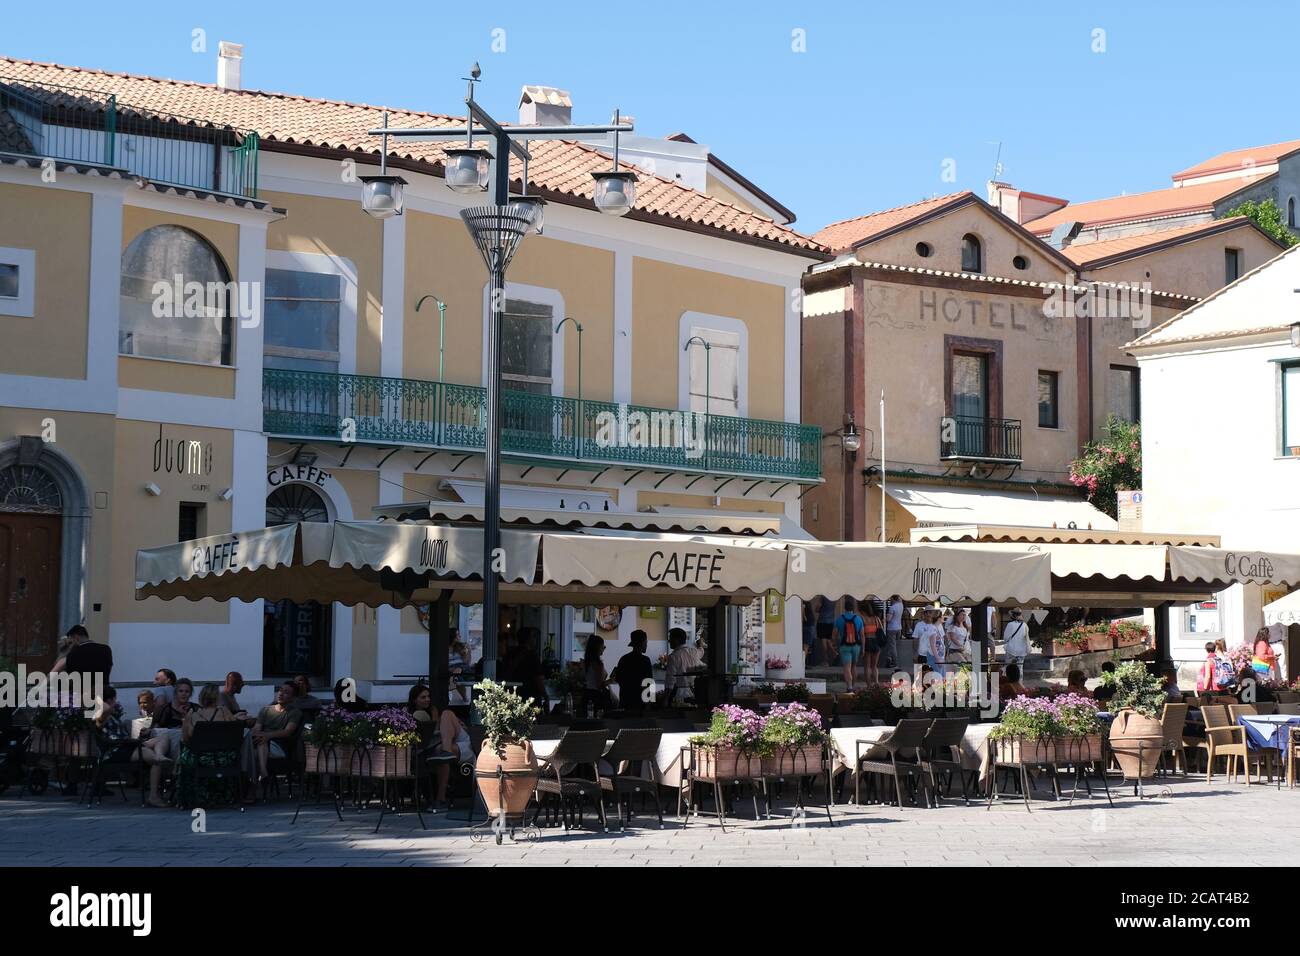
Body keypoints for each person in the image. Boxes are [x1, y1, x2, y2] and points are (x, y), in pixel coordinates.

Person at [176, 684, 241, 808]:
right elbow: (235, 732)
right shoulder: (224, 711)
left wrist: (185, 720)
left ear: (201, 697)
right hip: (224, 758)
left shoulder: (193, 715)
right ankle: (227, 796)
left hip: (200, 758)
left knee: (185, 754)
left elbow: (185, 739)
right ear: (216, 698)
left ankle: (189, 797)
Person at [251, 682, 300, 784]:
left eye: (286, 692)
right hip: (262, 744)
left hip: (279, 747)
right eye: (280, 690)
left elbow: (287, 732)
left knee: (261, 744)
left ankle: (258, 779)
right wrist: (261, 735)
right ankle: (262, 776)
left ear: (292, 697)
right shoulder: (266, 710)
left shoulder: (295, 712)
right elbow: (256, 729)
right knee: (256, 747)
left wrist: (267, 736)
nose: (281, 694)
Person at [55, 625, 113, 698]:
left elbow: (59, 670)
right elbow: (109, 668)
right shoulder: (106, 649)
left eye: (71, 641)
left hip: (82, 696)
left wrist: (66, 649)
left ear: (76, 637)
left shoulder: (73, 652)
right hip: (103, 693)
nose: (71, 643)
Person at [612, 629, 654, 714]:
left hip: (625, 701)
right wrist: (649, 702)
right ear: (642, 643)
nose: (646, 645)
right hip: (640, 703)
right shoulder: (645, 660)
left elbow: (618, 679)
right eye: (646, 643)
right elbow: (649, 682)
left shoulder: (624, 659)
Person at [663, 627, 704, 706]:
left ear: (676, 640)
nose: (669, 641)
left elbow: (670, 680)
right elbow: (701, 652)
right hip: (695, 693)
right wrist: (700, 645)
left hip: (680, 696)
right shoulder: (694, 652)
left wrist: (665, 699)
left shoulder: (674, 657)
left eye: (670, 638)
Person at [834, 597, 866, 693]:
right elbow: (862, 635)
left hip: (844, 646)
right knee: (854, 667)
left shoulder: (839, 619)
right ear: (853, 608)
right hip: (856, 646)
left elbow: (834, 635)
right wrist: (863, 648)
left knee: (847, 667)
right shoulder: (858, 619)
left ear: (844, 608)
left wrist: (835, 644)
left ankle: (849, 687)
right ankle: (853, 685)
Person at [582, 635, 610, 716]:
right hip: (596, 697)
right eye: (603, 646)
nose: (604, 648)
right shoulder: (598, 664)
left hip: (586, 695)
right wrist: (611, 681)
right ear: (597, 647)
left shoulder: (586, 662)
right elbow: (599, 685)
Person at [860, 600, 883, 687]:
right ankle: (876, 682)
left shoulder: (862, 619)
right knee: (874, 666)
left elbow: (861, 632)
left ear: (863, 611)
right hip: (876, 642)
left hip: (867, 641)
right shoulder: (876, 618)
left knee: (867, 666)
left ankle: (869, 685)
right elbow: (881, 629)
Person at [944, 609, 972, 675]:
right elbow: (953, 638)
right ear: (957, 616)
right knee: (964, 665)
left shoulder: (966, 627)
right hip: (954, 650)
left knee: (969, 665)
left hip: (965, 650)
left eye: (965, 615)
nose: (964, 616)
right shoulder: (952, 627)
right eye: (962, 615)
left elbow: (968, 637)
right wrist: (960, 646)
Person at [816, 596, 838, 670]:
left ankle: (825, 661)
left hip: (822, 620)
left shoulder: (823, 597)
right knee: (827, 639)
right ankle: (834, 652)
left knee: (823, 641)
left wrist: (818, 609)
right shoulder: (834, 598)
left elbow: (817, 608)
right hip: (831, 621)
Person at [883, 594, 904, 671]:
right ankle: (888, 659)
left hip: (892, 628)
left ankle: (895, 662)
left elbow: (888, 619)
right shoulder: (901, 605)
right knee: (892, 644)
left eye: (891, 599)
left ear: (893, 599)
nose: (890, 600)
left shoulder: (892, 607)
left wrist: (884, 619)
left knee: (892, 645)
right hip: (899, 628)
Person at [802, 601, 817, 669]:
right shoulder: (804, 602)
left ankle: (804, 663)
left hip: (809, 625)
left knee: (807, 646)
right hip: (808, 625)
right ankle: (803, 664)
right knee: (806, 646)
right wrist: (805, 618)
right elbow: (803, 613)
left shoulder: (805, 601)